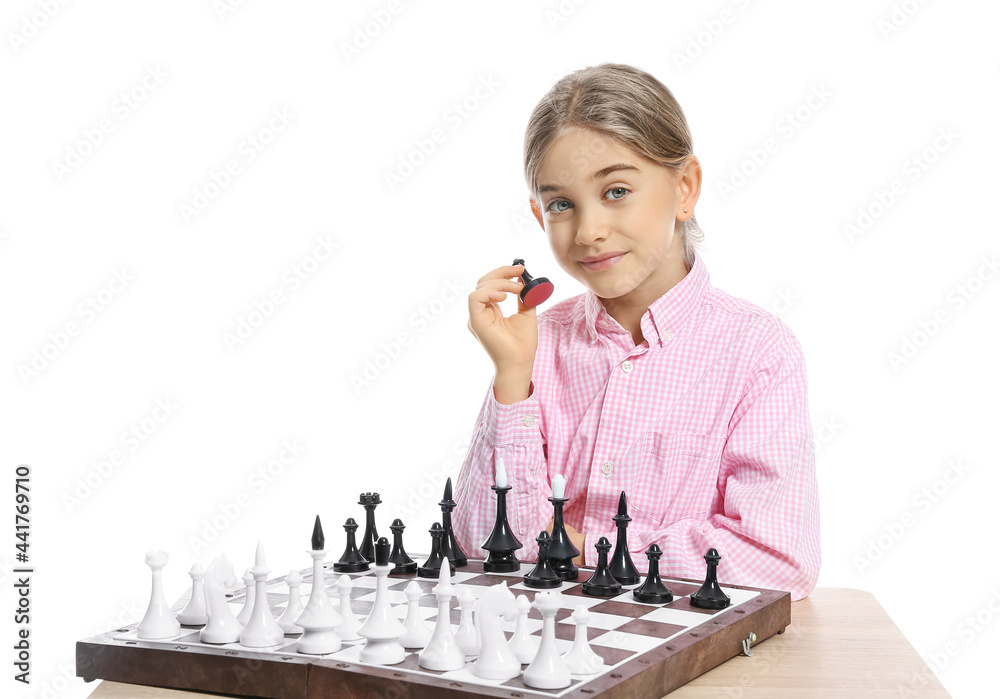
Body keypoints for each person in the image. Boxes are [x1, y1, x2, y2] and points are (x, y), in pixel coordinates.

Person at [452, 63, 820, 600]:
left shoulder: (757, 351)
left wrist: (582, 550)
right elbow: (479, 543)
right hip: (537, 654)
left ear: (685, 188)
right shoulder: (536, 342)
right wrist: (512, 377)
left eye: (617, 190)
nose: (590, 231)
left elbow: (776, 558)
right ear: (538, 215)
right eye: (561, 204)